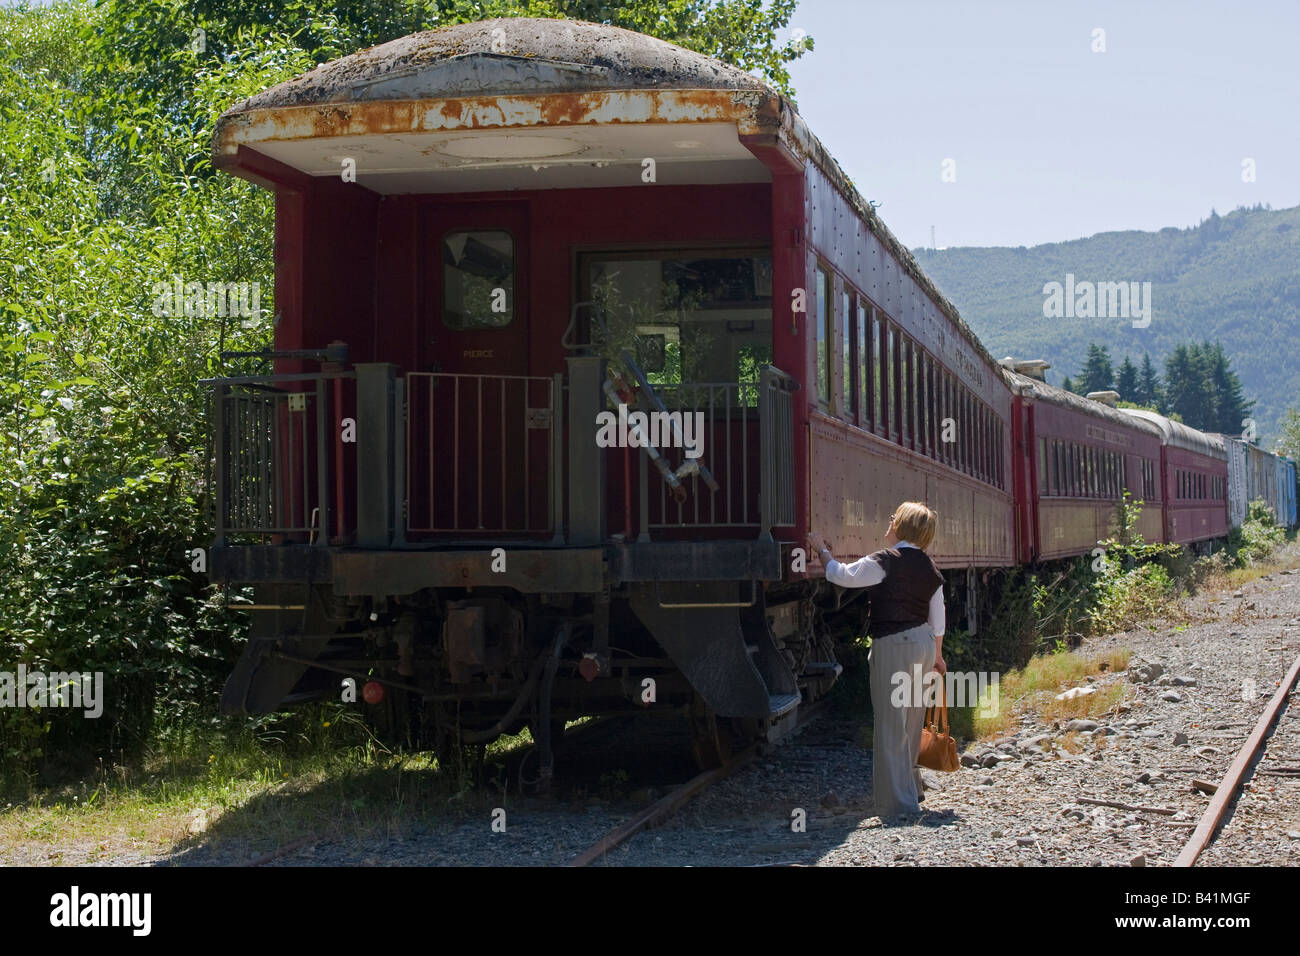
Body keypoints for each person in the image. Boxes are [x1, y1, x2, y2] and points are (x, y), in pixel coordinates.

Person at [808, 501, 945, 817]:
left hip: (894, 645)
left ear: (900, 525)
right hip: (923, 644)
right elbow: (938, 619)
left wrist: (820, 549)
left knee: (890, 724)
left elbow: (840, 575)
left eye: (893, 517)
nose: (890, 521)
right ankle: (912, 789)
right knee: (911, 722)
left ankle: (899, 805)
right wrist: (938, 656)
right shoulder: (929, 567)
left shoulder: (886, 560)